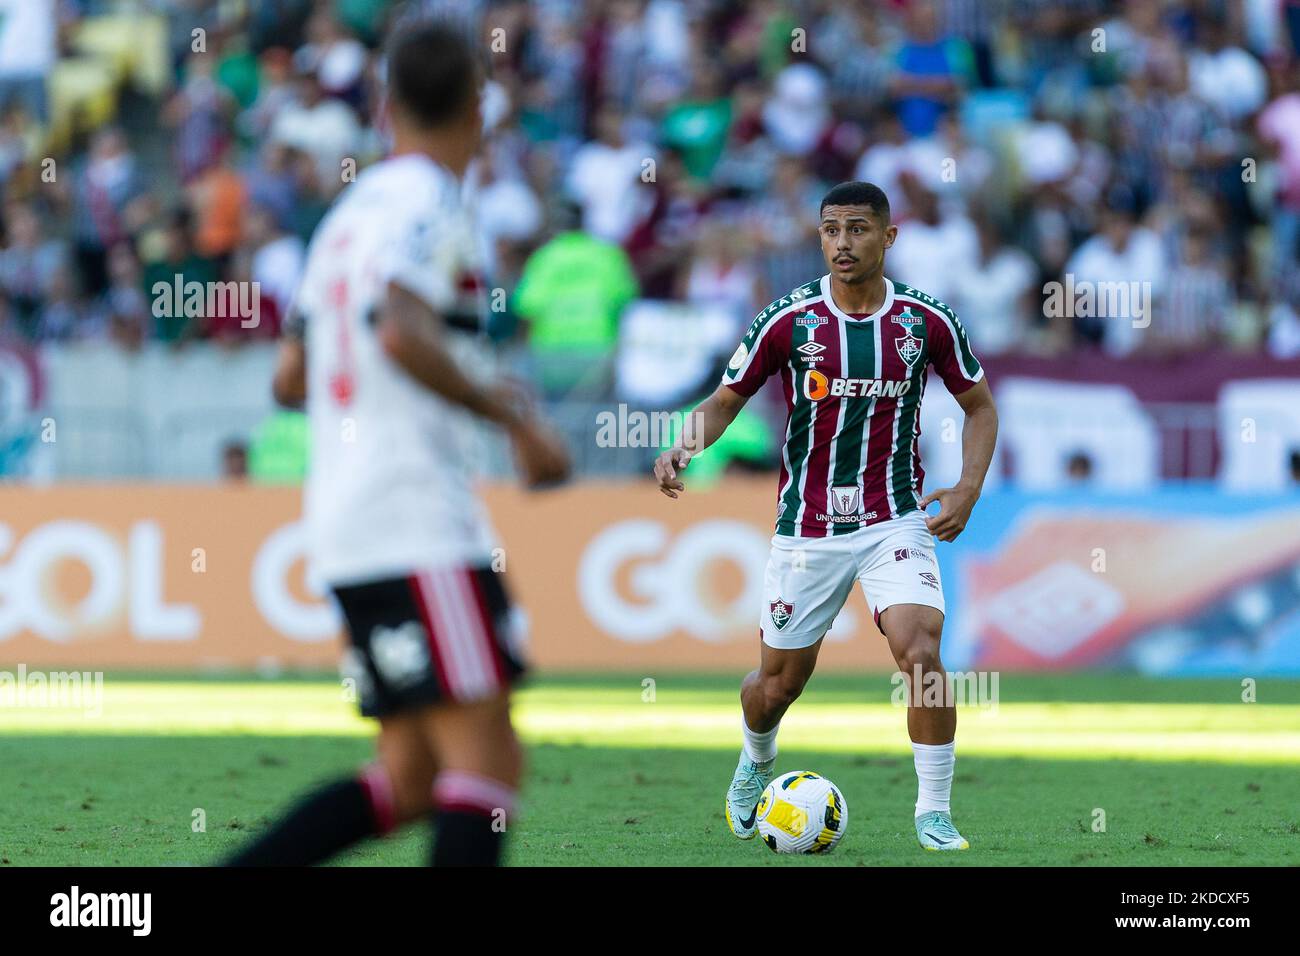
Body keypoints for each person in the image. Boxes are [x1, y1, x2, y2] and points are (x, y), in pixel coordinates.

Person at [226, 22, 570, 868]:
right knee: (489, 760)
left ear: (384, 107)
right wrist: (512, 417)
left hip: (344, 516)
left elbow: (288, 380)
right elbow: (400, 330)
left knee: (413, 776)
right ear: (478, 108)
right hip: (414, 513)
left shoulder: (345, 218)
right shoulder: (433, 203)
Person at [653, 181, 998, 853]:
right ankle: (756, 760)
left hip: (893, 518)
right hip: (806, 528)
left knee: (921, 651)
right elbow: (729, 397)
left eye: (858, 229)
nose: (843, 243)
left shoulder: (925, 322)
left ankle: (934, 810)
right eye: (831, 230)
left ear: (888, 237)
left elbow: (980, 405)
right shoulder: (790, 319)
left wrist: (968, 488)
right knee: (776, 687)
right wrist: (684, 446)